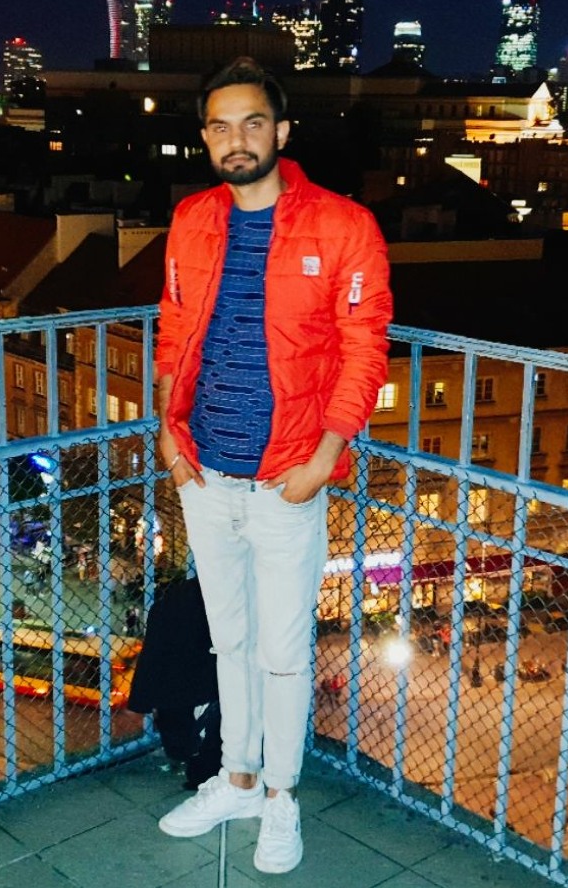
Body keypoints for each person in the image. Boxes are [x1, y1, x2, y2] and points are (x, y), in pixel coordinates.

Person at [155, 57, 392, 874]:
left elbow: (365, 352)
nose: (237, 139)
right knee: (229, 643)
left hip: (287, 477)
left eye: (252, 122)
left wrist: (325, 458)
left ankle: (283, 800)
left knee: (284, 654)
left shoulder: (344, 226)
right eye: (220, 126)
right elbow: (173, 326)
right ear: (205, 138)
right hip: (204, 473)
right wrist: (167, 433)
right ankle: (238, 780)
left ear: (282, 132)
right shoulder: (191, 219)